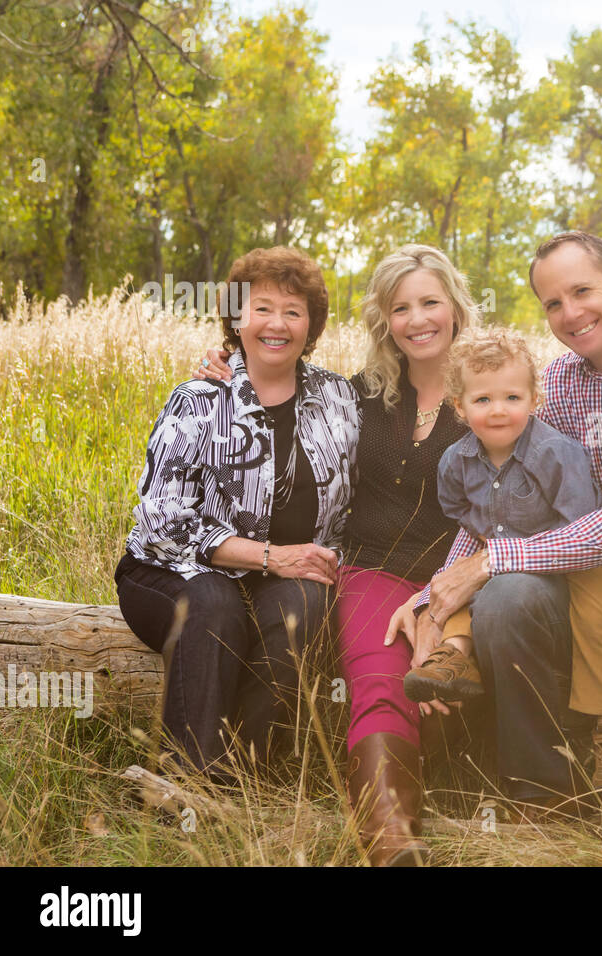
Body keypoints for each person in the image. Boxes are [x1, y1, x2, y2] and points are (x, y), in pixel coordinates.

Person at [387, 231, 602, 838]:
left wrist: (492, 560)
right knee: (505, 595)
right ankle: (543, 793)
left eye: (582, 291)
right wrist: (438, 595)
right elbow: (498, 502)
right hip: (578, 589)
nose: (570, 314)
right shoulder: (559, 384)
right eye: (553, 303)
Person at [194, 244, 477, 865]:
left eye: (430, 302)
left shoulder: (491, 391)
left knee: (448, 686)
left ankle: (501, 795)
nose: (418, 319)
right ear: (384, 321)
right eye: (400, 307)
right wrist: (226, 364)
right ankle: (393, 843)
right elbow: (272, 388)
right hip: (372, 571)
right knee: (382, 678)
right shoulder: (357, 397)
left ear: (456, 307)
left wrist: (444, 609)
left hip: (467, 584)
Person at [115, 246, 360, 785]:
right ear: (237, 319)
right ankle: (187, 784)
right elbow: (163, 525)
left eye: (293, 311)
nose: (277, 324)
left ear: (311, 324)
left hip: (282, 581)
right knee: (214, 601)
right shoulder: (199, 398)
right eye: (262, 308)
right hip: (172, 574)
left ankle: (243, 781)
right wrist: (270, 557)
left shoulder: (341, 399)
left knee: (305, 602)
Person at [403, 326, 602, 747]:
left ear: (533, 400)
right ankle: (453, 658)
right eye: (482, 399)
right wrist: (432, 598)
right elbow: (470, 532)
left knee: (597, 623)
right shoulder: (456, 461)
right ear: (459, 406)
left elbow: (585, 530)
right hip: (505, 558)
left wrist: (515, 558)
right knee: (462, 589)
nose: (499, 410)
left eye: (512, 398)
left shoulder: (554, 453)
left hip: (579, 555)